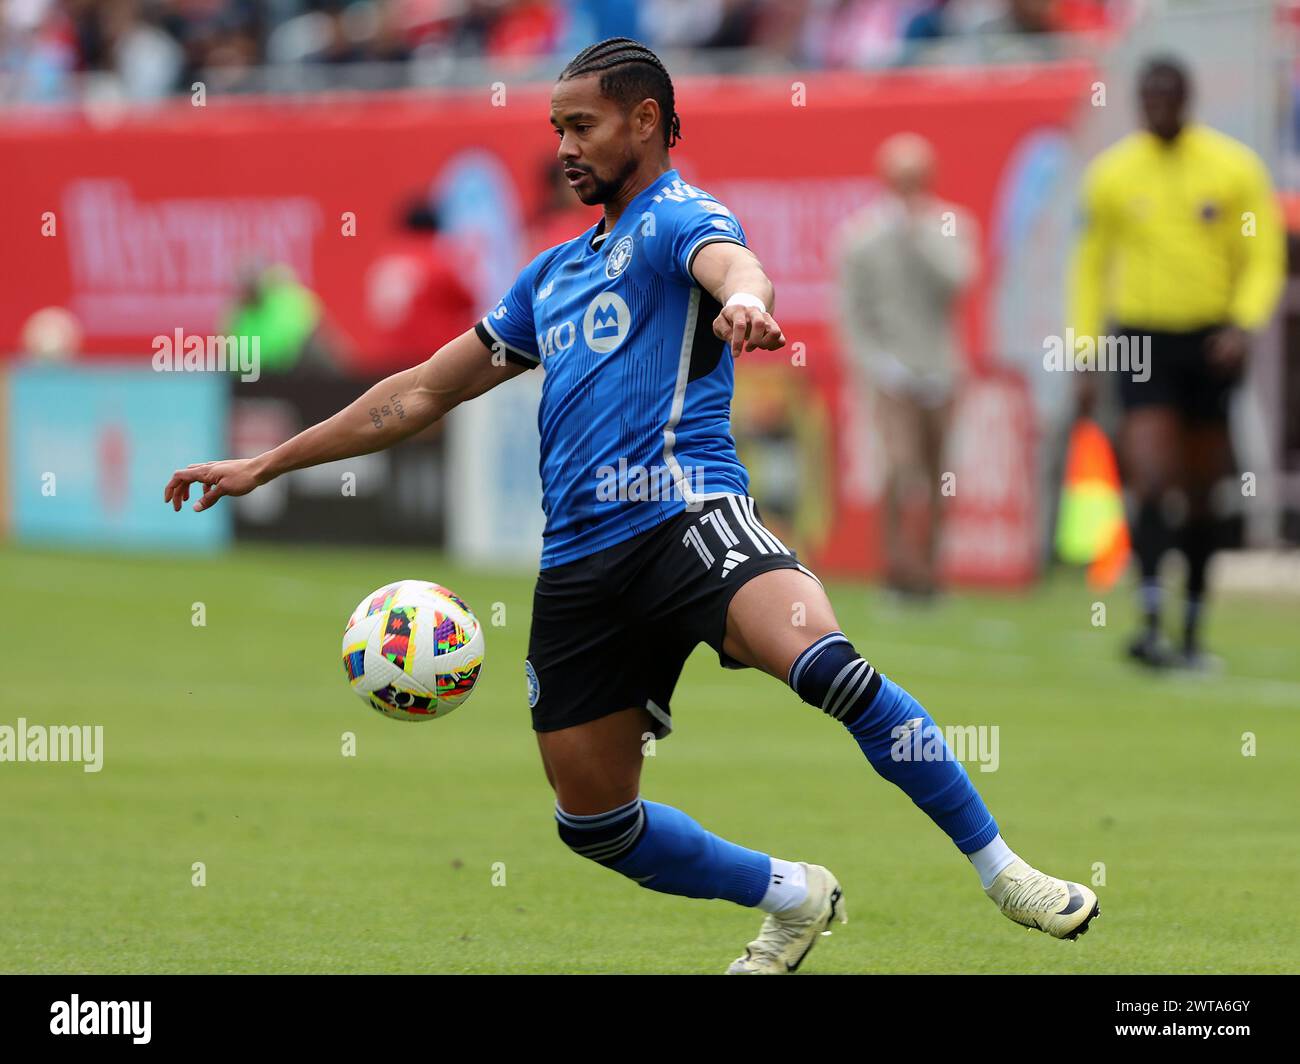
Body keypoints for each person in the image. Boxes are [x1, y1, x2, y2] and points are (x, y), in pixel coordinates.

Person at [165, 37, 1098, 974]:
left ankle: (1001, 868)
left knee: (829, 669)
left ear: (644, 121)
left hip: (685, 518)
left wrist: (746, 302)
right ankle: (793, 894)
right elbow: (419, 394)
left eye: (583, 125)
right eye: (558, 127)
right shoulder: (552, 276)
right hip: (578, 567)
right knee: (598, 825)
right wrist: (268, 463)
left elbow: (734, 265)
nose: (566, 146)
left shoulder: (675, 219)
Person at [1069, 56, 1284, 669]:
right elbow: (1089, 268)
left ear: (1188, 99)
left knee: (1200, 491)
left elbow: (1262, 253)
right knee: (1154, 476)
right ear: (1139, 103)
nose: (1159, 106)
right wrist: (1084, 350)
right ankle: (1150, 619)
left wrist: (1243, 323)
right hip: (1141, 340)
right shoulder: (1113, 175)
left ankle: (1191, 629)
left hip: (1211, 340)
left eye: (1170, 96)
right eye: (1150, 97)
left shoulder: (1232, 167)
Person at [836, 132, 977, 598]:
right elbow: (851, 311)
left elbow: (958, 279)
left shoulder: (950, 224)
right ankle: (897, 569)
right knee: (899, 468)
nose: (909, 187)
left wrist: (918, 235)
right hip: (890, 370)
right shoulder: (861, 235)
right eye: (902, 178)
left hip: (939, 367)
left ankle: (929, 571)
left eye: (917, 178)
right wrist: (873, 365)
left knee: (940, 474)